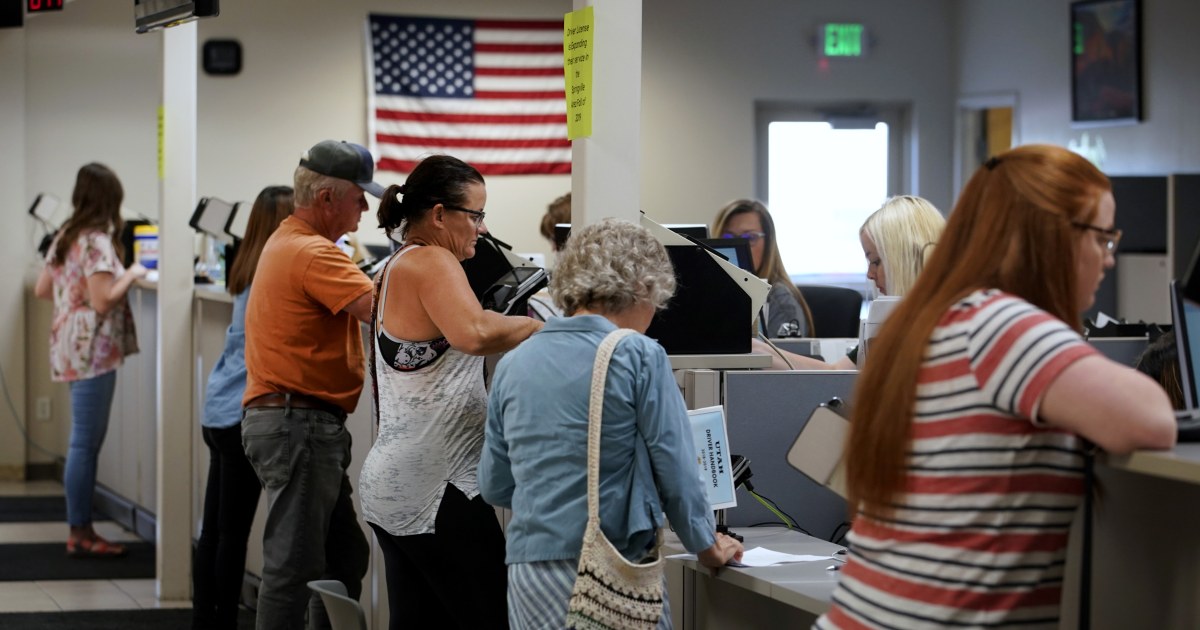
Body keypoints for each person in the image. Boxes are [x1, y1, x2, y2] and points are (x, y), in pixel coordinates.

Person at [816, 144, 1177, 629]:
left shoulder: (930, 320)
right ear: (1052, 238)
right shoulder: (1003, 324)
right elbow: (1152, 420)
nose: (1108, 259)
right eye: (1102, 238)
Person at [478, 218, 744, 628]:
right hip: (615, 564)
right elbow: (678, 474)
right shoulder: (637, 354)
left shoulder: (513, 363)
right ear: (644, 288)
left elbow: (495, 484)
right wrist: (708, 546)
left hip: (528, 573)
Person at [359, 154, 543, 629]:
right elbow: (474, 333)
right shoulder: (432, 260)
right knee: (491, 619)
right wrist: (546, 328)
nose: (482, 229)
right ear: (439, 215)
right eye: (476, 215)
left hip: (395, 484)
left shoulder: (395, 265)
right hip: (436, 489)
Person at [240, 140, 380, 630]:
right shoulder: (313, 252)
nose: (365, 207)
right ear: (327, 199)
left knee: (343, 555)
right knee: (292, 568)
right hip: (298, 423)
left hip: (293, 421)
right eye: (359, 196)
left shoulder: (289, 241)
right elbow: (384, 312)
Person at [192, 185, 294, 630]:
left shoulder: (244, 268)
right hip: (241, 413)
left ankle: (204, 619)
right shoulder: (272, 274)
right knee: (232, 533)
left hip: (217, 407)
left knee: (214, 529)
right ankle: (220, 623)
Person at [34, 162, 146, 558]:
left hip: (67, 343)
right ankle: (80, 531)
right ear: (109, 200)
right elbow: (102, 300)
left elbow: (43, 289)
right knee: (85, 443)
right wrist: (132, 273)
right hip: (92, 349)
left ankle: (79, 527)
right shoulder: (96, 240)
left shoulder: (66, 235)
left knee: (82, 440)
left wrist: (74, 296)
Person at [757, 195, 945, 370]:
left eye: (876, 261)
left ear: (904, 258)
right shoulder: (895, 322)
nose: (870, 275)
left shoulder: (942, 327)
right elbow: (836, 372)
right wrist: (760, 350)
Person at [713, 199, 813, 337]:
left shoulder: (779, 302)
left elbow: (780, 358)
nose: (738, 245)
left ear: (768, 243)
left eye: (750, 237)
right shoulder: (717, 295)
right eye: (727, 237)